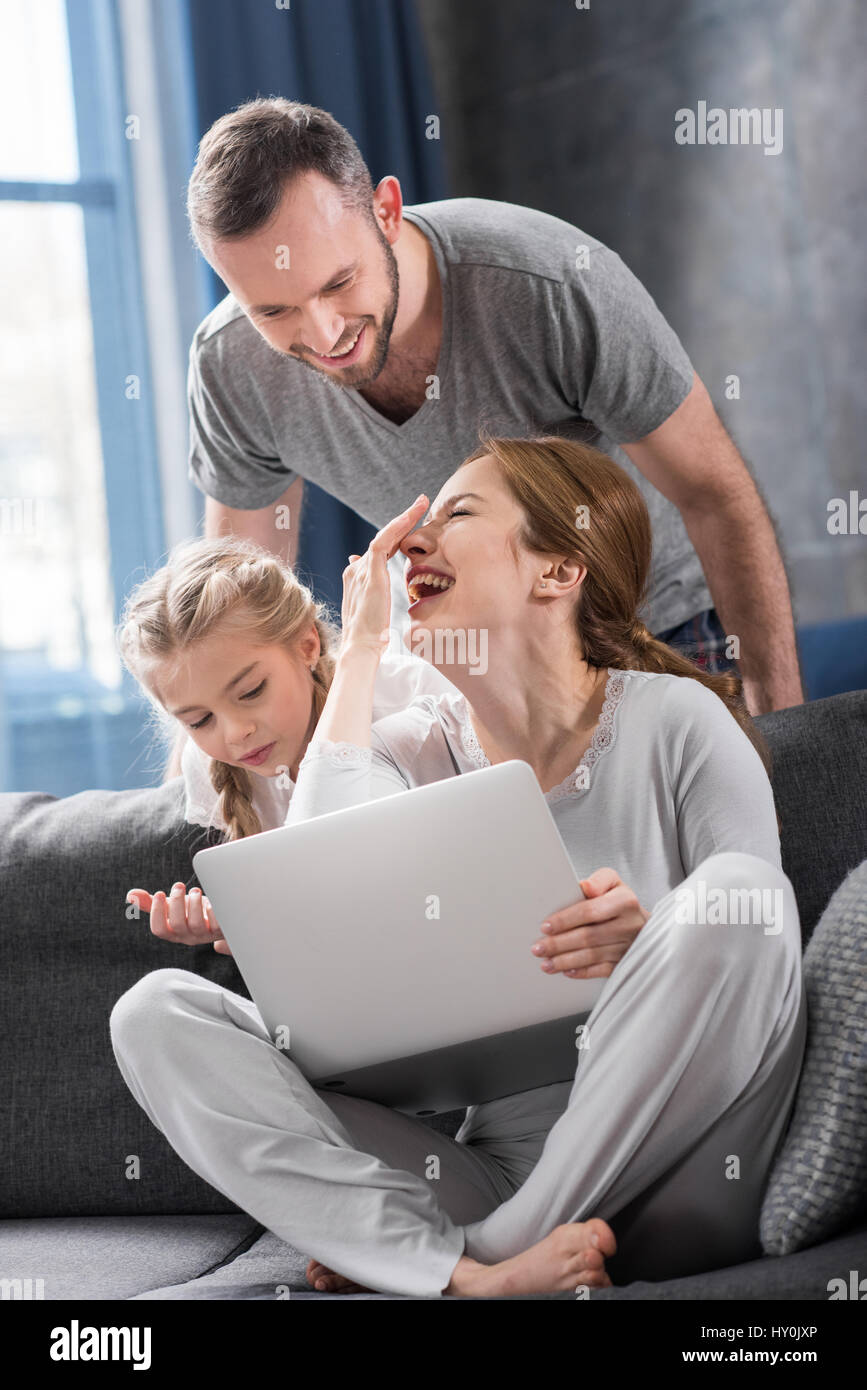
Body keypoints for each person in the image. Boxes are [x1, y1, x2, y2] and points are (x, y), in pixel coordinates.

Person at [110, 436, 806, 1298]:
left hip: (682, 1179)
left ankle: (471, 1256)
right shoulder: (411, 746)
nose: (413, 540)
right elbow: (327, 878)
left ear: (556, 570)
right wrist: (359, 647)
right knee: (156, 1012)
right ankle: (463, 1272)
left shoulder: (678, 720)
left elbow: (764, 960)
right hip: (493, 1167)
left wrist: (651, 939)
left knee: (737, 897)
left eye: (457, 515)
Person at [182, 96, 803, 727]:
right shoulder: (229, 366)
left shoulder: (554, 286)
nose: (323, 334)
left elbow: (715, 496)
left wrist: (783, 727)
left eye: (338, 283)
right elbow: (238, 617)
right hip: (466, 670)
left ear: (387, 213)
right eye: (272, 311)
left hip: (652, 630)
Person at [117, 533, 455, 946]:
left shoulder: (415, 698)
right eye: (200, 720)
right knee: (151, 1000)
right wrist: (237, 926)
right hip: (334, 973)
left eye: (251, 692)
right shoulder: (206, 765)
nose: (235, 732)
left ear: (307, 644)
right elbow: (303, 915)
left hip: (432, 941)